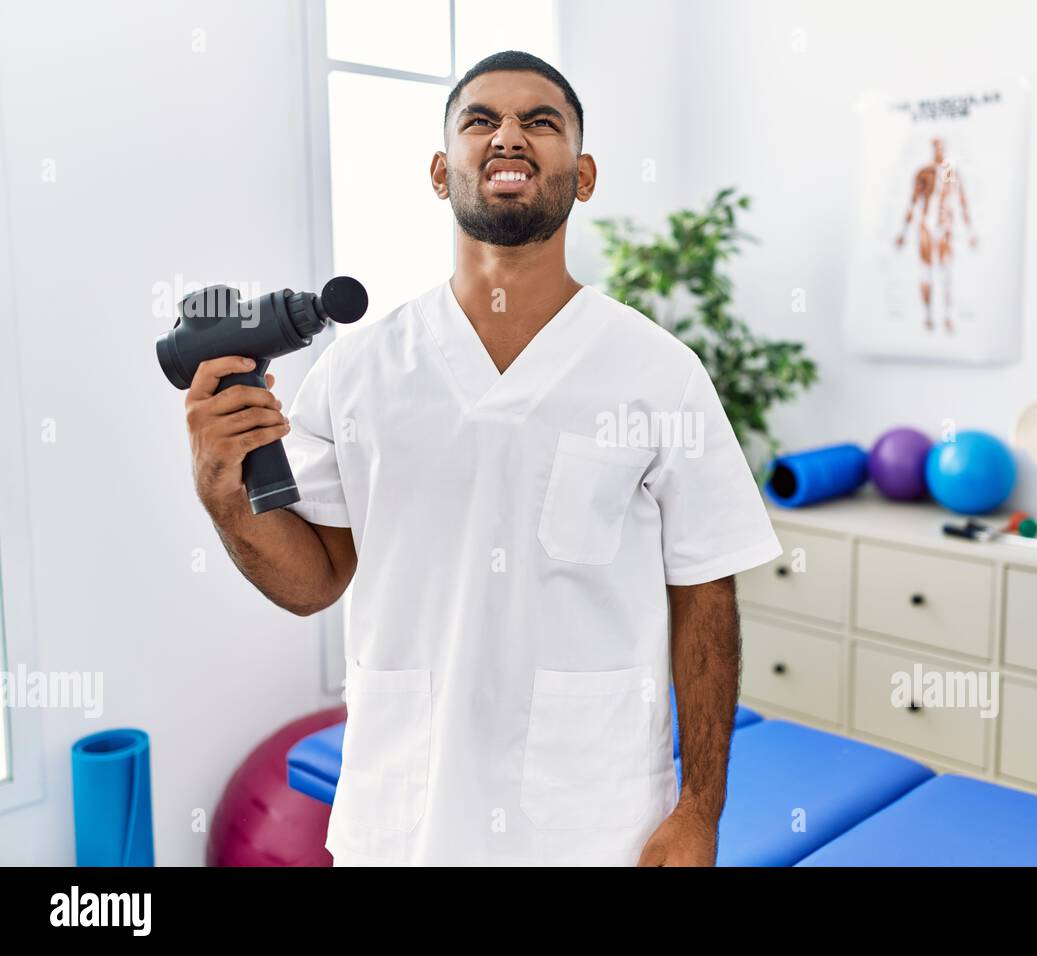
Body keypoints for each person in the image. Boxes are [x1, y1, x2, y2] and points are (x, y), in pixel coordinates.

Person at [181, 51, 782, 866]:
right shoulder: (359, 371)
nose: (509, 136)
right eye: (480, 120)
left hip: (593, 820)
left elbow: (705, 591)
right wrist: (224, 492)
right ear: (441, 172)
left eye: (542, 122)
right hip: (402, 815)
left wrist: (701, 806)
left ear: (586, 173)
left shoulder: (659, 373)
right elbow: (312, 581)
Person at [894, 136, 978, 333]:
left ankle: (947, 316)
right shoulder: (924, 172)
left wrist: (969, 232)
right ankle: (928, 316)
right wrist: (903, 232)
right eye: (937, 146)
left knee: (946, 270)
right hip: (926, 225)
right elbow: (913, 202)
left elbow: (960, 199)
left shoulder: (948, 170)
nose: (940, 150)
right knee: (926, 271)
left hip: (944, 226)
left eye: (942, 146)